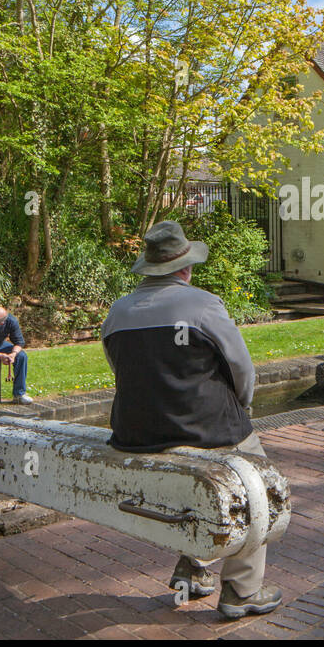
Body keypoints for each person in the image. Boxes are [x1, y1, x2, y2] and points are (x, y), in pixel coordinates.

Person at [100, 220, 282, 620]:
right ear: (184, 268)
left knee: (194, 479)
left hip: (135, 433)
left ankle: (195, 567)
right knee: (260, 486)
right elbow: (242, 370)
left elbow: (121, 368)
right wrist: (243, 408)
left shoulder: (117, 311)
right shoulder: (203, 304)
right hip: (203, 426)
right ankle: (242, 590)